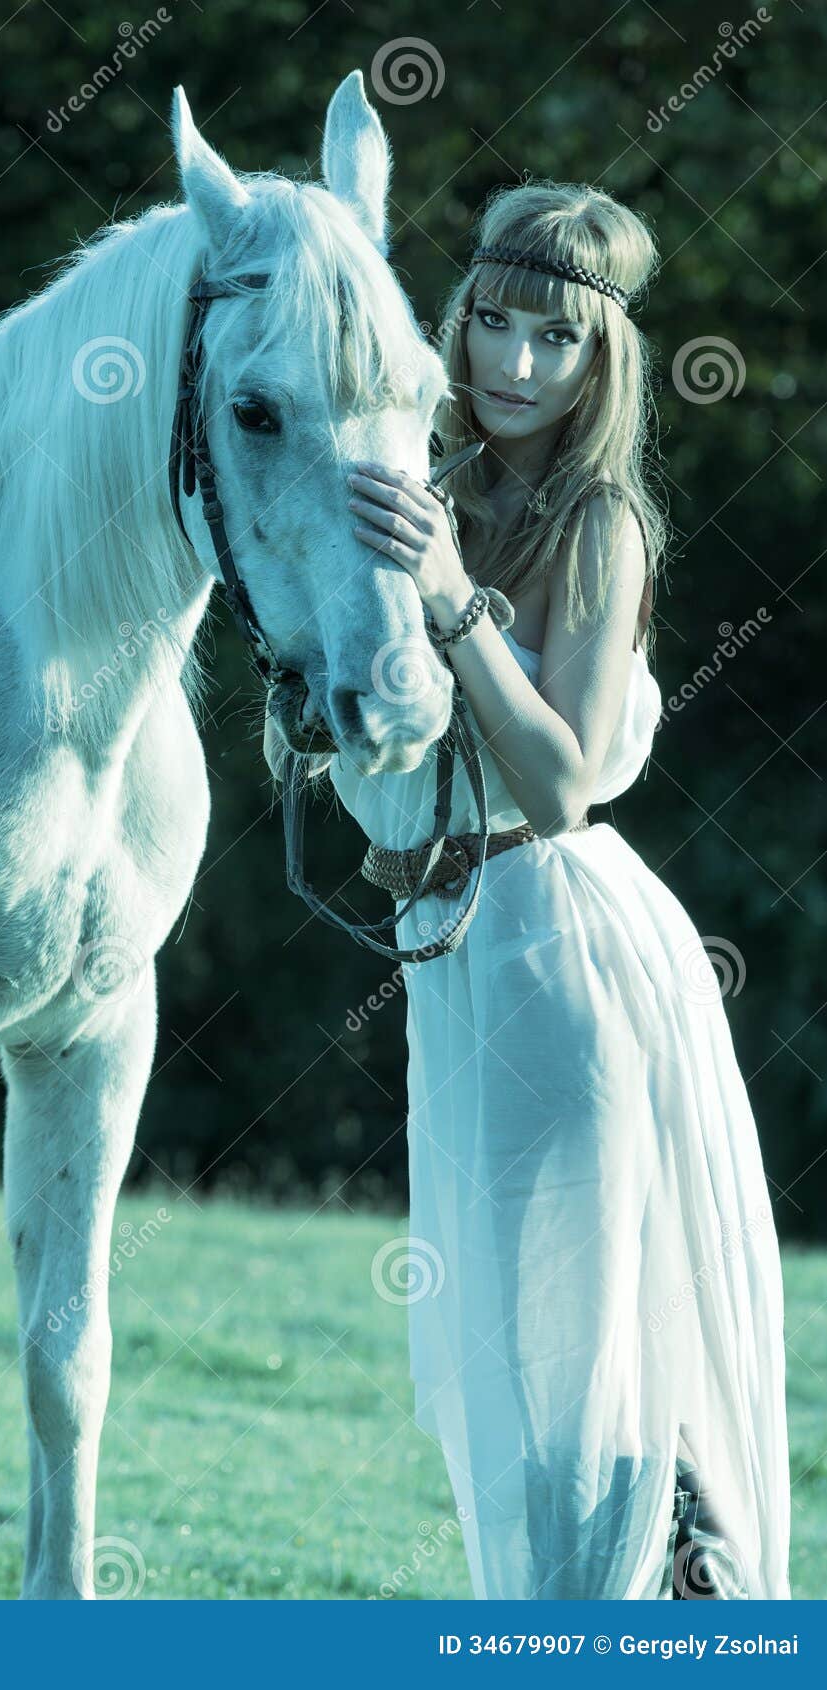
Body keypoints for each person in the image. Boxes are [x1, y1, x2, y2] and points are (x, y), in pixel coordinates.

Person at [305, 182, 791, 1599]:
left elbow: (561, 780)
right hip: (453, 945)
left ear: (602, 362)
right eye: (494, 325)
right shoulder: (427, 491)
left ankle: (658, 1596)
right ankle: (591, 1610)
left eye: (554, 342)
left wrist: (451, 597)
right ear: (454, 324)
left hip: (558, 937)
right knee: (512, 1340)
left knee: (577, 1329)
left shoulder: (596, 524)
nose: (515, 364)